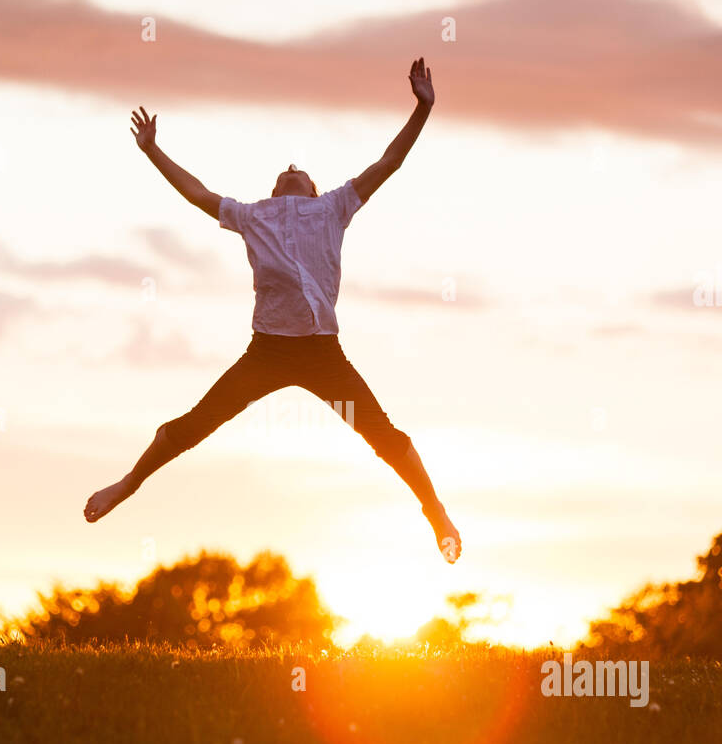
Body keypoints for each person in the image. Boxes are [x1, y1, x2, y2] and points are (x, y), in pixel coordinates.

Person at [86, 58, 460, 563]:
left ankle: (434, 510)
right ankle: (128, 484)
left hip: (324, 357)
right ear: (272, 192)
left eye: (299, 172)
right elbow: (196, 192)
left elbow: (389, 162)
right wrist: (154, 151)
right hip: (267, 355)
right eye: (283, 172)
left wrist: (422, 108)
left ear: (313, 188)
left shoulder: (336, 206)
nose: (291, 168)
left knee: (383, 434)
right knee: (197, 423)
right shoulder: (251, 215)